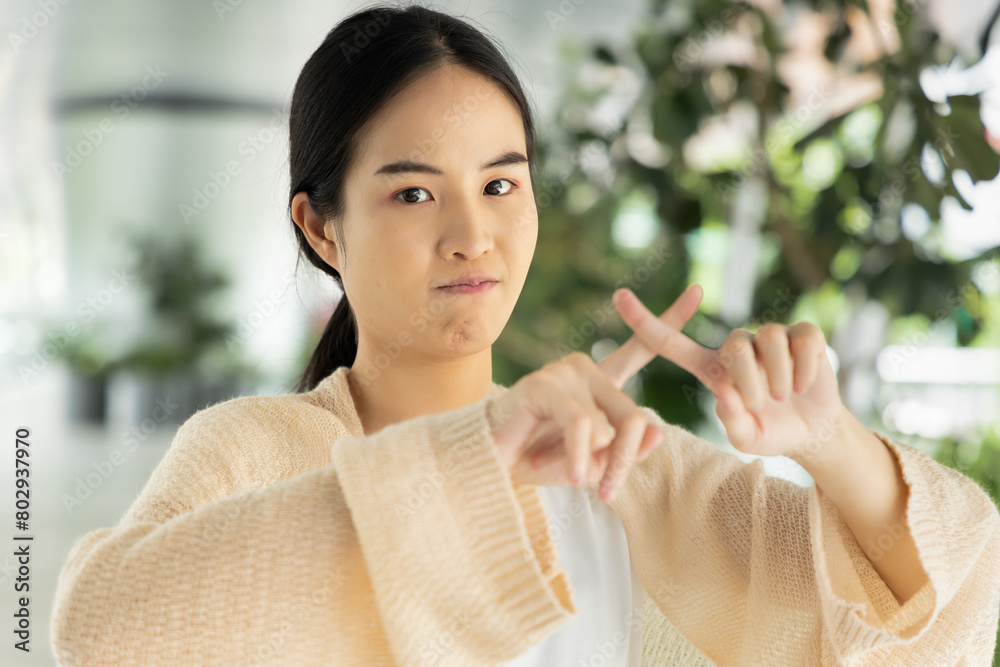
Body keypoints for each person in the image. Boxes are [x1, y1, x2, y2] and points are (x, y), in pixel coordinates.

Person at [50, 3, 1000, 665]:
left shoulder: (625, 471)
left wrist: (824, 438)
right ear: (320, 225)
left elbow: (932, 617)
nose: (473, 234)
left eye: (502, 183)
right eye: (414, 192)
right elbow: (99, 634)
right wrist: (475, 457)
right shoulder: (253, 448)